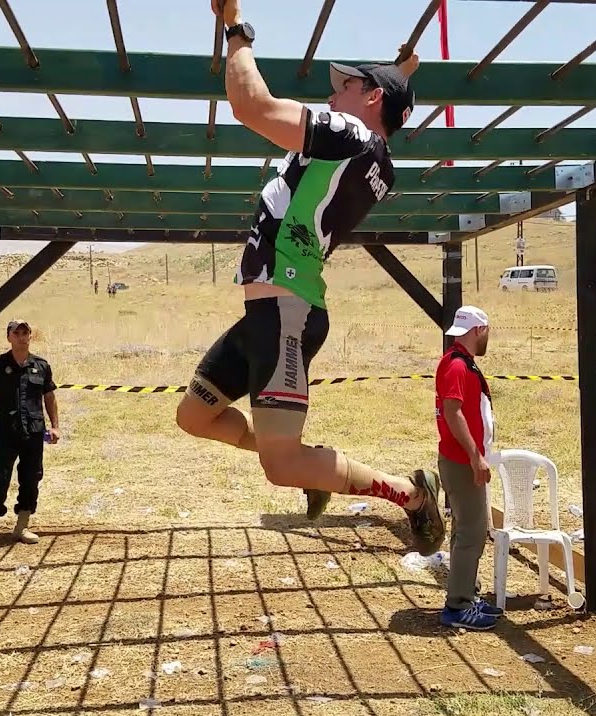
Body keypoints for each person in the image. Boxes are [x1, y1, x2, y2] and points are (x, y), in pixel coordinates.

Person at [174, 0, 445, 557]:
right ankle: (307, 464)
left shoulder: (348, 133)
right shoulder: (376, 156)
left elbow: (252, 106)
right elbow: (380, 111)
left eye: (343, 87)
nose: (330, 96)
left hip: (287, 310)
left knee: (279, 467)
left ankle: (410, 495)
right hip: (268, 311)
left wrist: (235, 28)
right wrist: (398, 78)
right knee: (195, 415)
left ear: (368, 100)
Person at [433, 306, 505, 630]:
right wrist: (476, 456)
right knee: (473, 532)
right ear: (479, 330)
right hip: (462, 461)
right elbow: (453, 412)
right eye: (487, 332)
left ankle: (464, 594)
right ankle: (458, 606)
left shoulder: (458, 362)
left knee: (465, 530)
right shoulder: (459, 366)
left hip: (461, 458)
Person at [0, 319, 61, 551]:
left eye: (25, 332)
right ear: (9, 337)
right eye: (17, 332)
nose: (22, 336)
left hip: (33, 431)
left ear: (31, 336)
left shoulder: (41, 366)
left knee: (31, 478)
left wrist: (55, 425)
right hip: (6, 432)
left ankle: (22, 526)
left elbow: (49, 397)